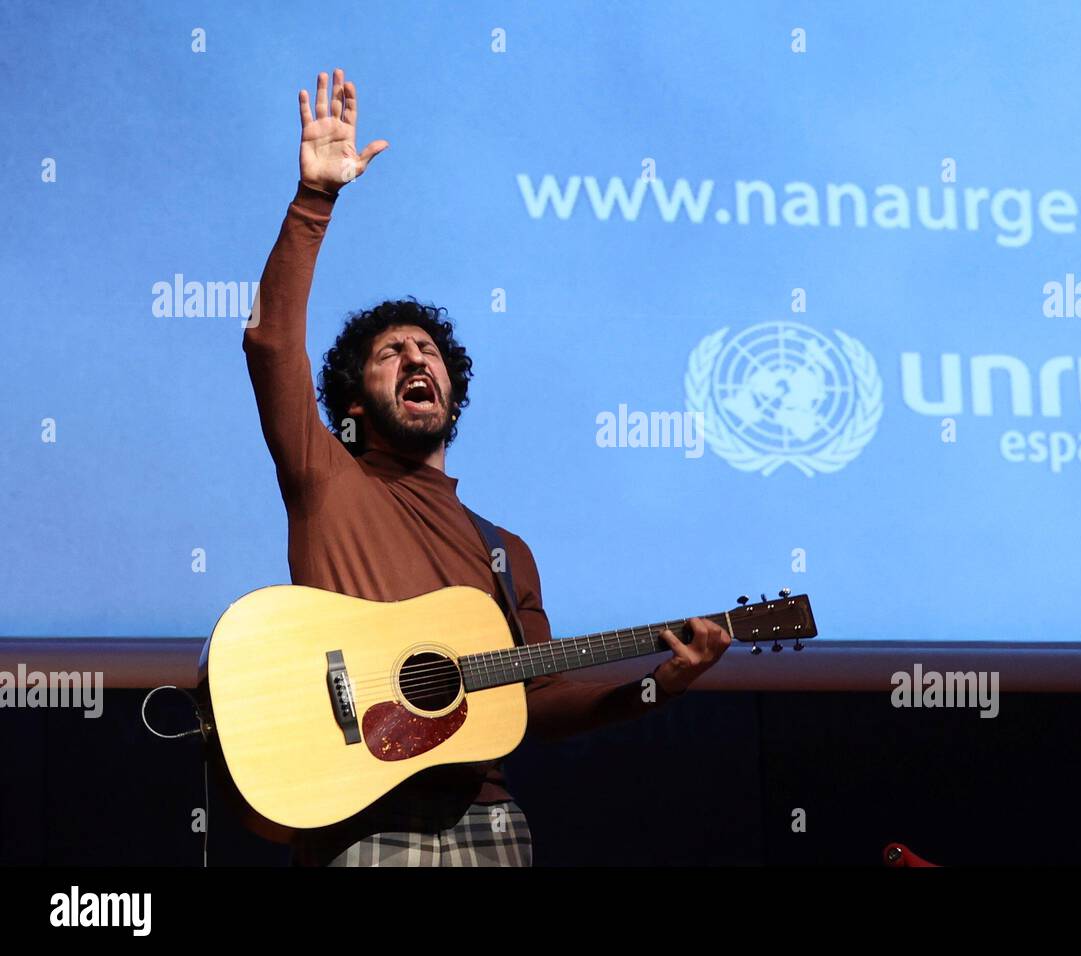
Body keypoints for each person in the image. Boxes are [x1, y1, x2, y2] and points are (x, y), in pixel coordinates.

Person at [246, 68, 731, 866]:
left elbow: (538, 705)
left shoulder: (505, 552)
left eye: (428, 351)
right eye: (390, 353)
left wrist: (660, 685)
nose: (415, 359)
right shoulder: (326, 477)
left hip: (490, 825)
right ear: (354, 403)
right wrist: (314, 201)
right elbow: (270, 343)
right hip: (360, 816)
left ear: (449, 392)